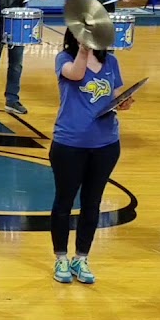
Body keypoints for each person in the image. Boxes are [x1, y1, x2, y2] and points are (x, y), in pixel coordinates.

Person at [49, 28, 134, 285]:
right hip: (69, 143)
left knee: (92, 203)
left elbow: (117, 94)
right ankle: (61, 257)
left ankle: (82, 257)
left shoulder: (111, 61)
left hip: (106, 143)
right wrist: (84, 49)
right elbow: (76, 74)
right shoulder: (64, 59)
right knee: (64, 202)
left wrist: (125, 102)